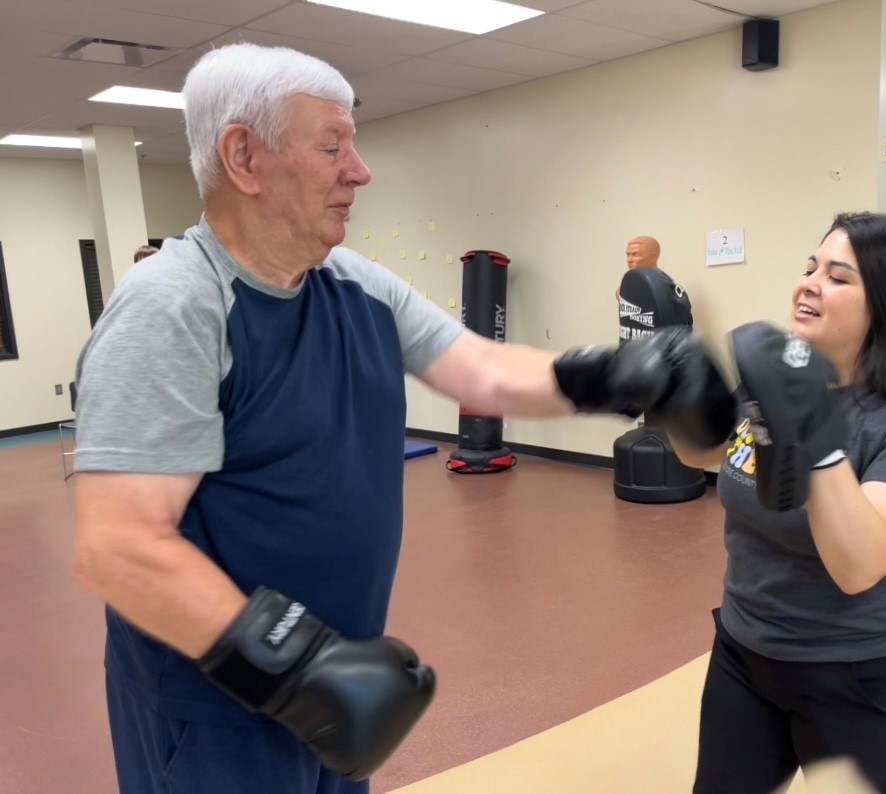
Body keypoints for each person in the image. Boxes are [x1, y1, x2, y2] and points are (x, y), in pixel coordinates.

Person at [71, 43, 734, 794]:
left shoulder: (350, 282)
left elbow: (478, 369)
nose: (359, 171)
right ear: (244, 157)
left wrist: (623, 375)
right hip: (218, 711)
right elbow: (119, 545)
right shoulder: (173, 309)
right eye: (332, 147)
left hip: (331, 687)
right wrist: (296, 667)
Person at [670, 212, 886, 794]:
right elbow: (704, 454)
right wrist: (668, 398)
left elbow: (858, 565)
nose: (809, 284)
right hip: (746, 652)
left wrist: (808, 427)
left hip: (862, 678)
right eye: (810, 267)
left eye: (838, 277)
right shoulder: (777, 375)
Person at [617, 234, 661, 300]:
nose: (629, 260)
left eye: (635, 255)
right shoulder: (625, 287)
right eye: (628, 255)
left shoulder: (660, 287)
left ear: (653, 256)